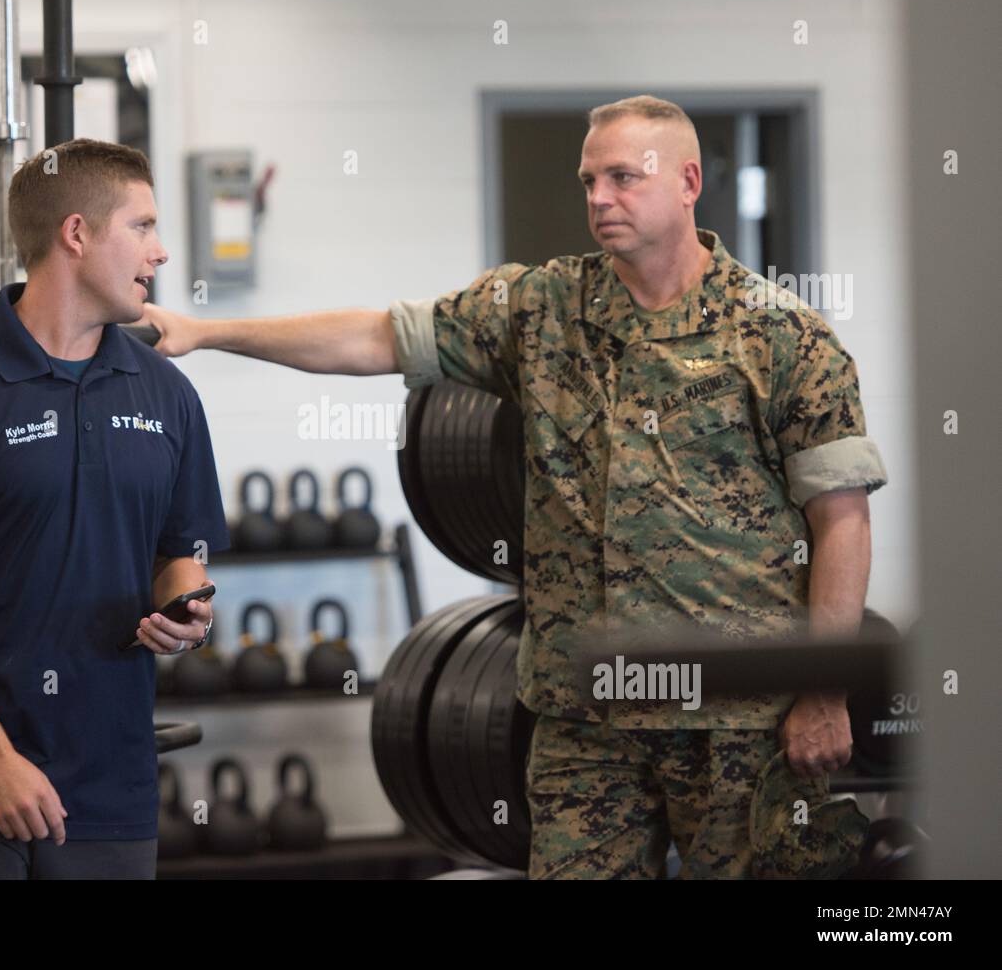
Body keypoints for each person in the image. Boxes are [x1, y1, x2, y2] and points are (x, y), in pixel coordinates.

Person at [136, 96, 888, 878]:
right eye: (589, 179)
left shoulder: (781, 334)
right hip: (584, 717)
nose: (599, 197)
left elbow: (841, 521)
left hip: (738, 720)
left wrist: (824, 689)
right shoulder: (540, 308)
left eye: (624, 177)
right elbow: (376, 336)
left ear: (689, 181)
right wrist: (209, 333)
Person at [0, 138, 230, 879]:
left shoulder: (166, 394)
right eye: (142, 227)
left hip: (110, 777)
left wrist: (185, 612)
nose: (160, 253)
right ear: (76, 233)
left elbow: (179, 552)